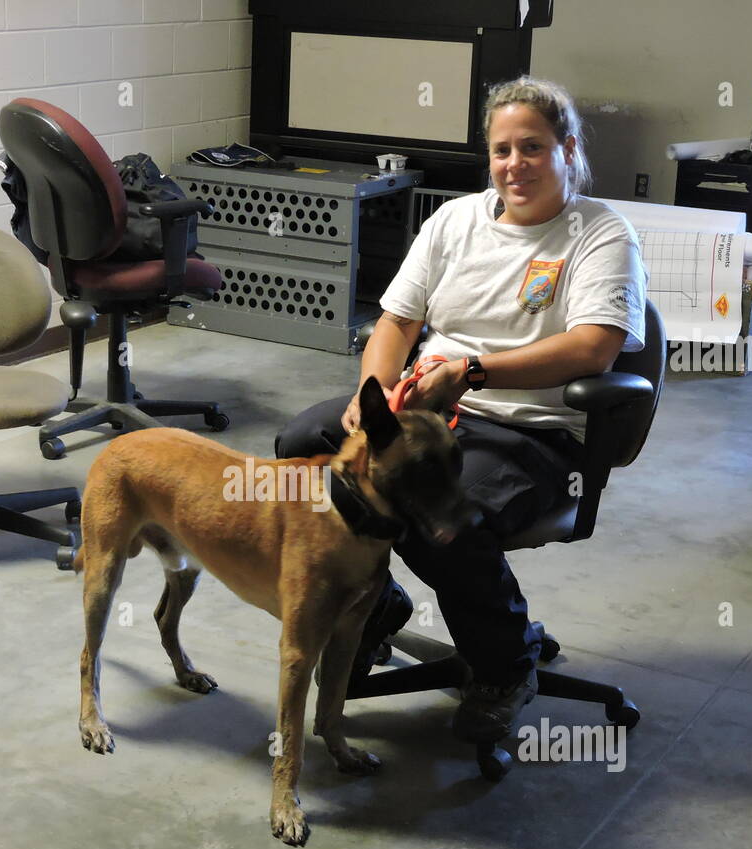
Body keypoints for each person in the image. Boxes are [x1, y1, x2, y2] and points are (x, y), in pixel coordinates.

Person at [274, 75, 649, 743]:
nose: (515, 165)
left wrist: (471, 371)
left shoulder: (600, 234)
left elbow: (595, 347)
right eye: (502, 150)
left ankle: (507, 661)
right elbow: (395, 320)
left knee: (439, 516)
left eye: (532, 147)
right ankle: (377, 603)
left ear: (567, 149)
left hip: (526, 429)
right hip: (423, 415)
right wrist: (375, 398)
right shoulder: (455, 220)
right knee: (301, 449)